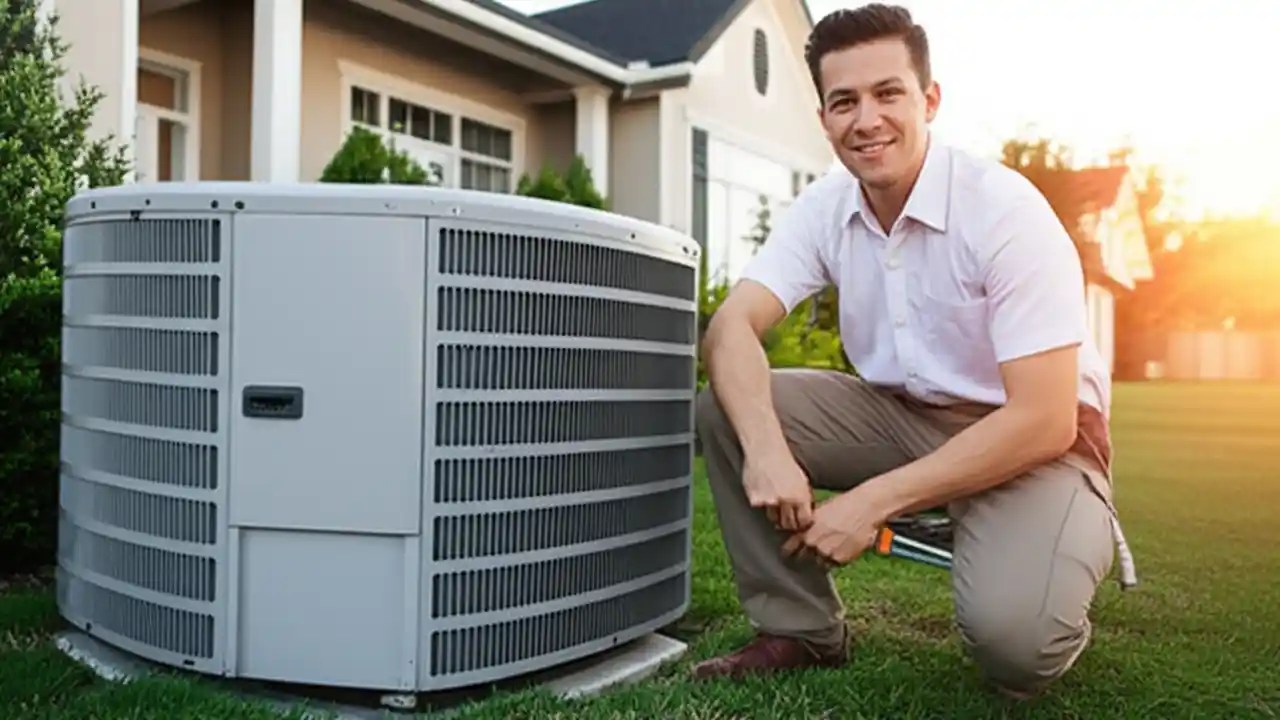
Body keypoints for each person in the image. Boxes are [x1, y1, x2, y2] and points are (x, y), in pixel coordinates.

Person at [691, 2, 1136, 699]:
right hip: (904, 417)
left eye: (887, 93)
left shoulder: (1005, 211)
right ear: (823, 120)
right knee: (731, 408)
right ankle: (803, 630)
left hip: (1036, 441)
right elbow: (731, 330)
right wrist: (769, 450)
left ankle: (1034, 544)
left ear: (929, 100)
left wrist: (871, 503)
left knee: (1017, 646)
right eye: (844, 101)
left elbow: (1045, 418)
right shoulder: (825, 207)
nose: (866, 119)